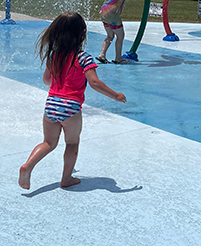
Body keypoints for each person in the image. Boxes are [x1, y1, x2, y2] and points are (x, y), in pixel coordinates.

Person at [19, 11, 126, 191]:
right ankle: (66, 178)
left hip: (51, 105)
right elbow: (94, 82)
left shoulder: (54, 56)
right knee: (72, 143)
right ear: (83, 33)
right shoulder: (83, 57)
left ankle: (27, 166)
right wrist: (115, 95)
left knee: (48, 143)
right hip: (70, 108)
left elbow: (47, 80)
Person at [98, 0, 154, 64]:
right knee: (120, 36)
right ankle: (118, 58)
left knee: (110, 36)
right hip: (113, 15)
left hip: (103, 13)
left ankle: (102, 55)